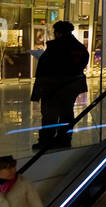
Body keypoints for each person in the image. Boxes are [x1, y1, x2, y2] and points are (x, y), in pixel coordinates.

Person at [31, 20, 89, 150]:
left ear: (58, 33)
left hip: (54, 87)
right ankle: (64, 140)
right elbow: (82, 62)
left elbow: (47, 67)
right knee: (67, 114)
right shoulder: (79, 47)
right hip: (72, 87)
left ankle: (46, 141)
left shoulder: (56, 47)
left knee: (49, 116)